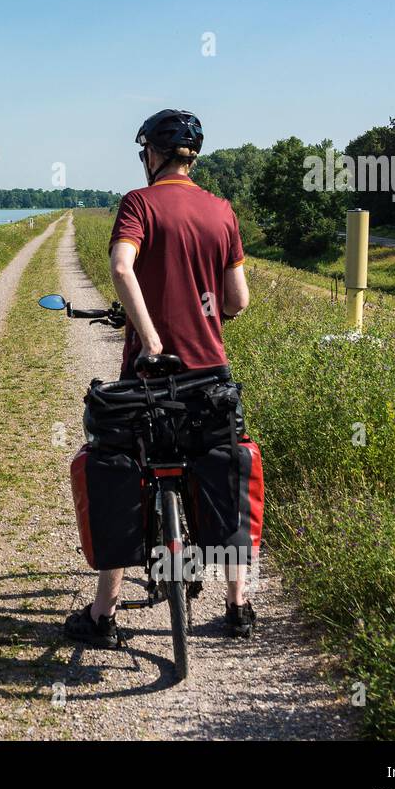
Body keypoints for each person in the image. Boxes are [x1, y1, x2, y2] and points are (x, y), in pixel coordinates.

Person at [65, 109, 254, 647]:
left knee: (125, 470)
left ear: (151, 154)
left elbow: (123, 267)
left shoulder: (139, 204)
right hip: (210, 375)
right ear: (192, 157)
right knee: (221, 468)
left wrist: (150, 340)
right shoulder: (222, 212)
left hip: (150, 377)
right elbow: (237, 299)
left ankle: (104, 614)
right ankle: (238, 606)